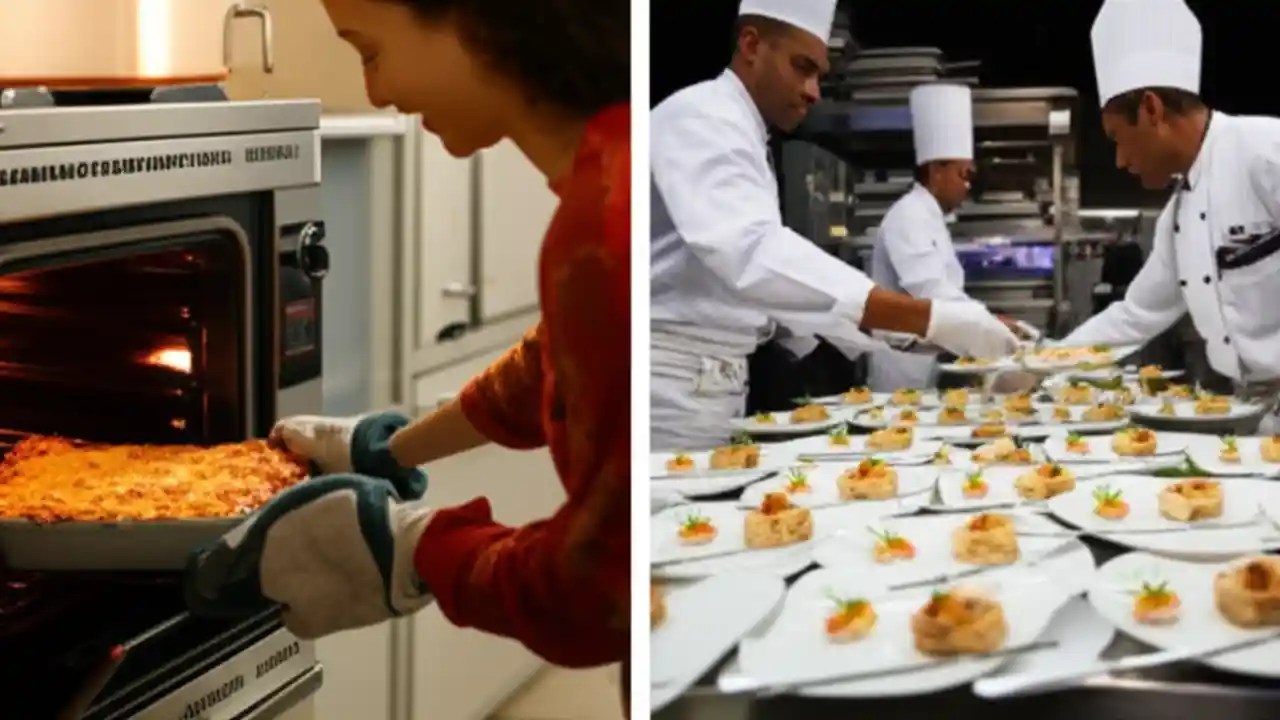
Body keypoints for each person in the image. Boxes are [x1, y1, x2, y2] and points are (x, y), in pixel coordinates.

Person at [183, 0, 632, 704]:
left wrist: (409, 546)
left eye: (368, 52)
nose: (375, 93)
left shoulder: (604, 220)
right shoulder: (613, 164)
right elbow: (556, 361)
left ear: (474, 20)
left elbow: (599, 588)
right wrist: (392, 450)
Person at [649, 0, 1020, 451]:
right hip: (669, 391)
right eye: (802, 68)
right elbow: (752, 255)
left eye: (819, 76)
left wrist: (912, 333)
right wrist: (935, 320)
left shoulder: (744, 133)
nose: (814, 92)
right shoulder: (701, 117)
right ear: (750, 44)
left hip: (715, 387)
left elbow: (771, 292)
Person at [1043, 0, 1280, 431]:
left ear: (1151, 110)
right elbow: (1134, 316)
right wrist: (1038, 364)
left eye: (1118, 137)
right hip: (1255, 418)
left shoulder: (1265, 152)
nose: (1117, 160)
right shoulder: (1179, 214)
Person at [868, 83, 979, 391]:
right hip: (902, 373)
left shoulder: (931, 217)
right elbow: (930, 289)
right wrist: (986, 325)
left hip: (925, 365)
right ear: (936, 170)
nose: (968, 186)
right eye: (963, 174)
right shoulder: (908, 216)